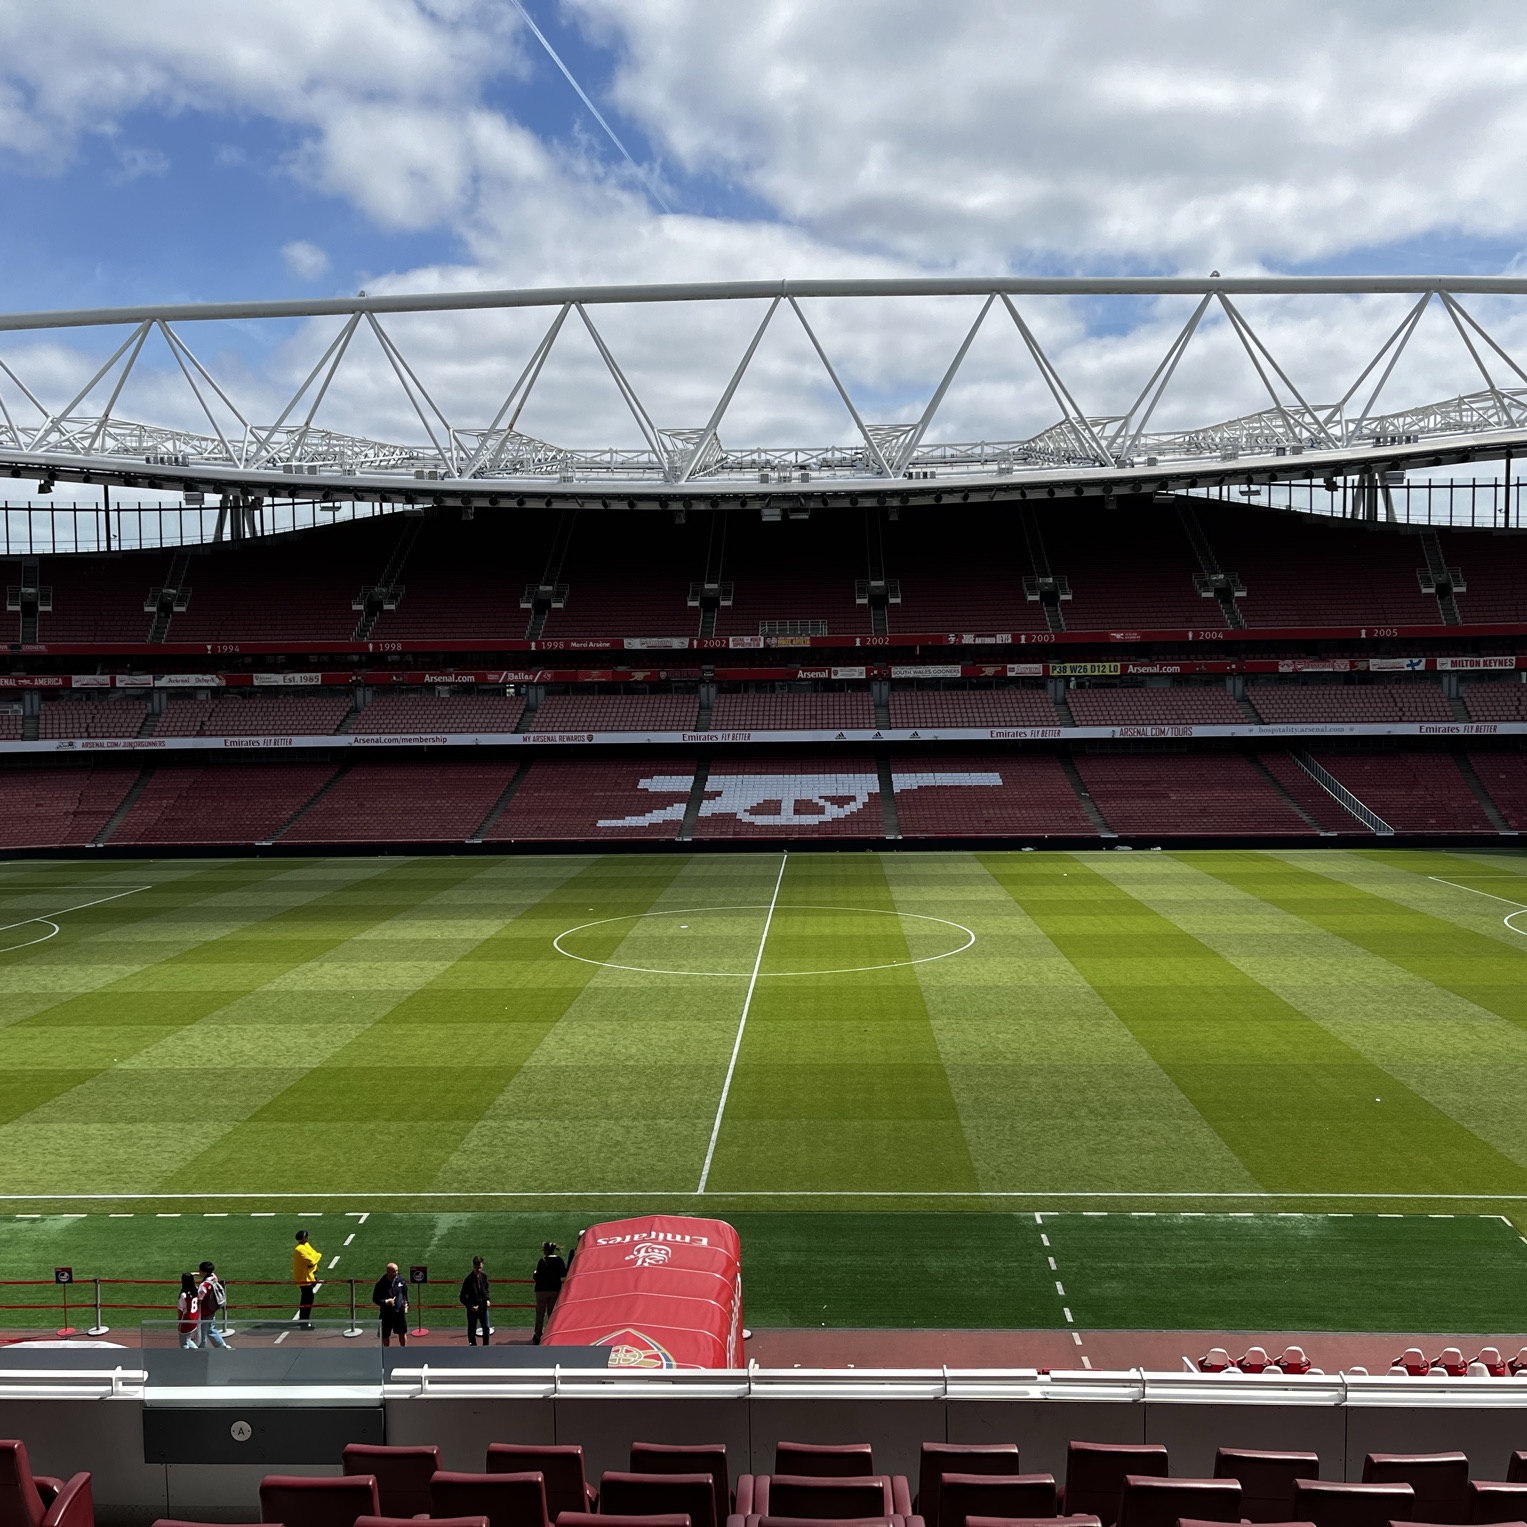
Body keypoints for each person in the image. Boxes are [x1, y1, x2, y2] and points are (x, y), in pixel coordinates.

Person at [531, 1241, 567, 1345]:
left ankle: (538, 1335)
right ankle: (552, 1334)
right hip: (554, 1290)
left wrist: (535, 1274)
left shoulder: (542, 1261)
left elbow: (537, 1277)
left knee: (540, 1313)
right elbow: (563, 1273)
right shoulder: (559, 1260)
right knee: (552, 1314)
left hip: (541, 1290)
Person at [196, 1260, 231, 1349]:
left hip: (204, 1311)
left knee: (202, 1332)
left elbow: (199, 1299)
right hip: (212, 1308)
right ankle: (222, 1346)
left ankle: (202, 1348)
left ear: (204, 1272)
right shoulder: (213, 1277)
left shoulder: (203, 1286)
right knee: (211, 1329)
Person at [373, 1262, 408, 1347]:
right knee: (385, 1335)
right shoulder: (381, 1284)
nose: (396, 1273)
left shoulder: (401, 1279)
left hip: (399, 1313)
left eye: (397, 1271)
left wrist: (406, 1303)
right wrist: (386, 1301)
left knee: (402, 1333)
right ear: (388, 1272)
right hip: (386, 1314)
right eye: (394, 1271)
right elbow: (375, 1299)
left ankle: (404, 1351)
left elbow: (405, 1292)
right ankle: (387, 1351)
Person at [292, 1228, 322, 1328]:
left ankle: (303, 1318)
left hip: (309, 1276)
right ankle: (304, 1320)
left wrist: (315, 1257)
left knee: (307, 1298)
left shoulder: (306, 1245)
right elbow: (312, 1260)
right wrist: (317, 1257)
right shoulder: (299, 1249)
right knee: (307, 1299)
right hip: (304, 1278)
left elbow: (314, 1255)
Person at [459, 1255, 491, 1346]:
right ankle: (472, 1347)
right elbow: (462, 1297)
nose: (478, 1270)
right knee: (472, 1330)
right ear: (473, 1266)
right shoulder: (468, 1280)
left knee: (486, 1328)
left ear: (482, 1266)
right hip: (473, 1310)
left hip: (483, 1307)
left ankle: (486, 1346)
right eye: (477, 1268)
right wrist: (470, 1306)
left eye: (480, 1268)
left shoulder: (484, 1277)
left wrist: (487, 1299)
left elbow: (486, 1289)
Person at [176, 1272, 201, 1349]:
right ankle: (196, 1352)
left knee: (184, 1343)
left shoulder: (184, 1295)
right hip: (194, 1318)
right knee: (188, 1339)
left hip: (186, 1321)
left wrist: (179, 1320)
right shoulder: (196, 1290)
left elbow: (180, 1309)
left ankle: (187, 1357)